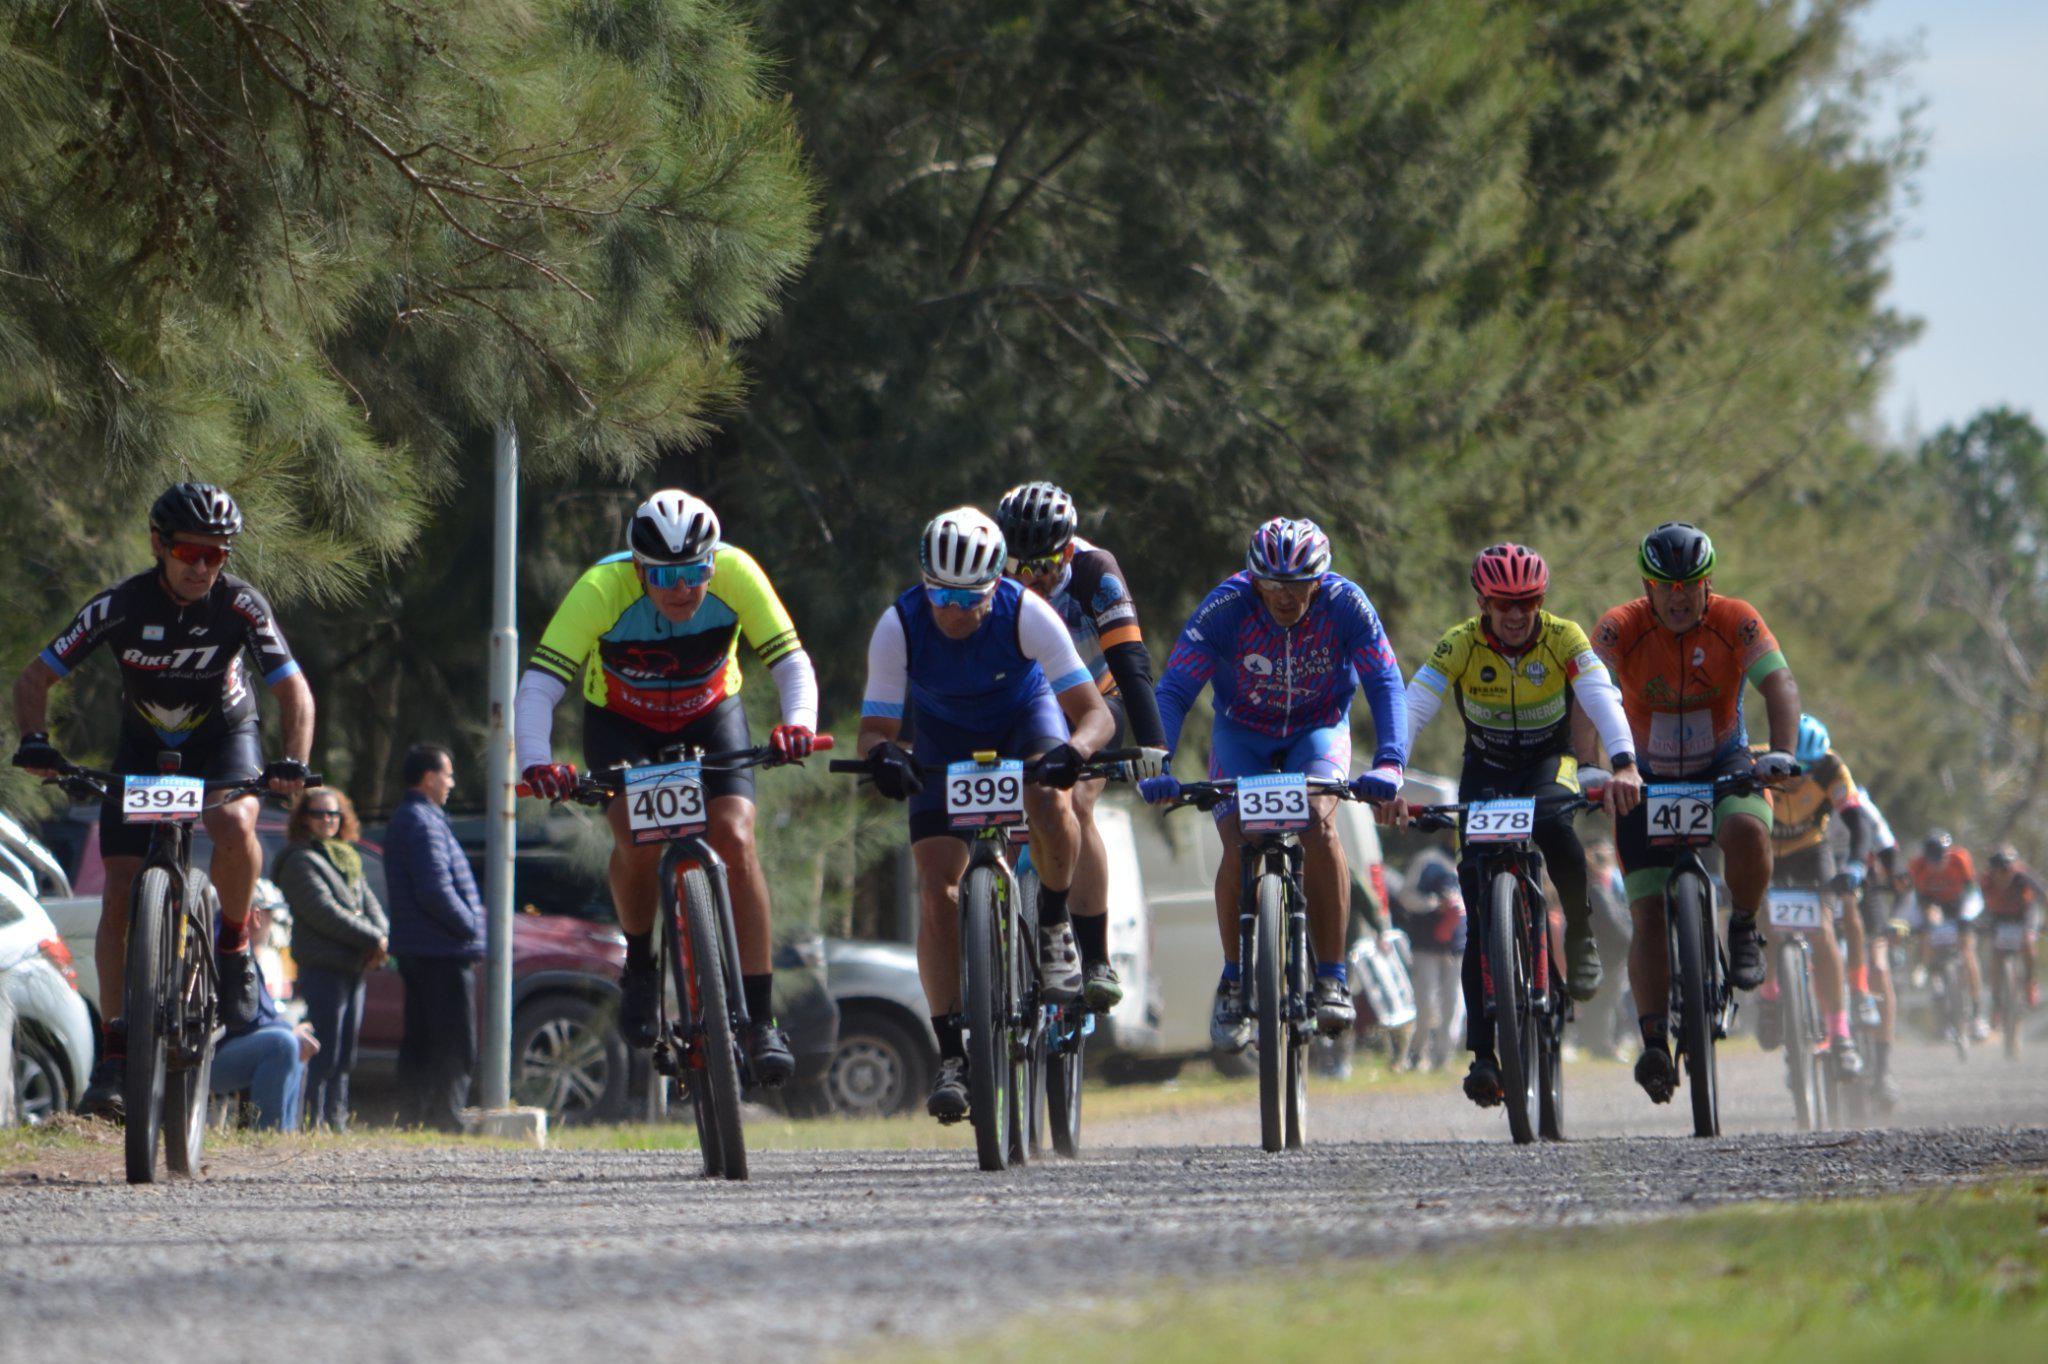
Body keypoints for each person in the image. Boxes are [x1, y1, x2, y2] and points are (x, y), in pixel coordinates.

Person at [10, 482, 313, 1120]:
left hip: (225, 736)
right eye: (188, 552)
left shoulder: (240, 605)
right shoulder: (121, 605)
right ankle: (118, 1050)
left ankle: (232, 947)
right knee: (120, 891)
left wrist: (296, 762)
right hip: (144, 748)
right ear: (158, 545)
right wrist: (36, 742)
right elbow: (36, 676)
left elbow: (294, 692)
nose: (202, 566)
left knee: (232, 818)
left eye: (216, 555)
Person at [515, 489, 817, 1084]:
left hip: (712, 711)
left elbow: (791, 662)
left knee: (734, 836)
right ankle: (641, 962)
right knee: (638, 840)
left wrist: (797, 725)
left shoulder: (736, 571)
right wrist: (536, 762)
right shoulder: (601, 589)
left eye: (695, 571)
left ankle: (759, 1019)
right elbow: (540, 685)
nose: (683, 588)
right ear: (637, 568)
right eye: (665, 575)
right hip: (622, 723)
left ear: (714, 560)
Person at [853, 507, 1115, 1121]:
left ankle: (1052, 925)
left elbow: (1095, 715)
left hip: (1025, 720)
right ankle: (952, 1057)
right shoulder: (899, 624)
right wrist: (885, 756)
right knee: (935, 889)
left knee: (1050, 800)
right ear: (925, 581)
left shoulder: (1028, 612)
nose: (951, 608)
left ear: (997, 584)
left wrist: (1075, 754)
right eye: (939, 592)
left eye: (968, 596)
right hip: (942, 741)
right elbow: (873, 731)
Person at [1381, 543, 1642, 1108]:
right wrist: (1390, 770)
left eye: (1527, 602)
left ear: (1541, 601)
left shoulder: (1565, 636)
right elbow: (1414, 705)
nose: (1517, 614)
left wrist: (1622, 762)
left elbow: (1601, 697)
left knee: (1556, 826)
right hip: (1487, 770)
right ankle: (1483, 1056)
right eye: (1504, 604)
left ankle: (1578, 932)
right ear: (1483, 603)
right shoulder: (1460, 643)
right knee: (1478, 920)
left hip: (1550, 762)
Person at [1137, 517, 1409, 1050]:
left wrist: (1390, 764)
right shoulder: (1225, 608)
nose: (1286, 597)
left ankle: (1331, 977)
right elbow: (1172, 692)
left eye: (1299, 583)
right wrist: (1158, 763)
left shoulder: (1346, 604)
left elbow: (1383, 681)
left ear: (1321, 580)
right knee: (1237, 840)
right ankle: (1235, 979)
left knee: (1319, 825)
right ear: (1253, 579)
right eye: (1273, 584)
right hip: (1242, 733)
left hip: (1318, 728)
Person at [1591, 521, 1801, 1105]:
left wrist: (1781, 752)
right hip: (1643, 772)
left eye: (1691, 585)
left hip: (1722, 760)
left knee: (1747, 827)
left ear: (1708, 585)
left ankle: (1742, 927)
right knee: (1649, 912)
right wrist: (1596, 767)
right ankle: (1654, 1039)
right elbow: (1587, 694)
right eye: (1666, 586)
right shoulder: (1618, 626)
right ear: (1646, 585)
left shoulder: (1737, 618)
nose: (1679, 597)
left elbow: (1779, 683)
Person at [994, 481, 1169, 1012]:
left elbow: (1132, 664)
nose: (1033, 579)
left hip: (1094, 696)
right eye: (1018, 568)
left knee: (1076, 801)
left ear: (1068, 549)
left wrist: (1153, 746)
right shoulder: (988, 574)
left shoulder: (1097, 572)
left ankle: (1094, 957)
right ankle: (986, 937)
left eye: (1044, 564)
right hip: (1024, 700)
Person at [1752, 714, 1871, 1076]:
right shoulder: (1754, 760)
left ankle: (1841, 1033)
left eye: (1808, 768)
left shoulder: (1832, 768)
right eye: (1793, 767)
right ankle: (1770, 992)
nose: (1799, 776)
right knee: (1761, 917)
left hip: (1810, 851)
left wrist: (1854, 865)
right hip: (1766, 848)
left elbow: (1857, 821)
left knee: (1823, 930)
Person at [273, 788, 387, 1131]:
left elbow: (371, 905)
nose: (328, 820)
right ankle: (313, 1120)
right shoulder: (298, 860)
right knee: (322, 1051)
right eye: (319, 814)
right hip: (321, 967)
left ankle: (336, 1120)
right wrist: (372, 938)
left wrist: (381, 936)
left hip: (353, 966)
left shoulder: (346, 858)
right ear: (303, 819)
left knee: (345, 1053)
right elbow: (323, 912)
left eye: (334, 814)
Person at [385, 743, 483, 1130]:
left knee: (423, 1039)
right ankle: (446, 1117)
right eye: (447, 774)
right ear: (428, 778)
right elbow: (434, 889)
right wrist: (471, 926)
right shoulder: (423, 822)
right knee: (453, 1042)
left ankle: (415, 1118)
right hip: (439, 950)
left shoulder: (416, 818)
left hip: (424, 947)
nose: (452, 783)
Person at [209, 909, 317, 1132]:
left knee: (293, 1040)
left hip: (224, 1046)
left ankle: (285, 1135)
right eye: (269, 917)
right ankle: (268, 1134)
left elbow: (259, 1013)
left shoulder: (247, 948)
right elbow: (243, 1017)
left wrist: (292, 1029)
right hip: (206, 1056)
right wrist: (290, 1031)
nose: (271, 924)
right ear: (256, 916)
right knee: (282, 1043)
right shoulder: (226, 943)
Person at [1908, 829, 1986, 1040]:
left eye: (1940, 858)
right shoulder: (1917, 865)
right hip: (1931, 904)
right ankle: (1926, 967)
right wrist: (1925, 917)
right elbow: (1916, 897)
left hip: (1959, 903)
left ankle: (1977, 1014)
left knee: (1968, 950)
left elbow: (1971, 891)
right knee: (1924, 931)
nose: (1936, 864)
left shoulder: (1960, 859)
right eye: (1932, 859)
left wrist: (1965, 918)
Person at [1399, 850, 1466, 1071]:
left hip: (1457, 947)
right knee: (1425, 1004)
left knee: (1453, 1004)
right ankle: (1418, 1053)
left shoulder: (1472, 859)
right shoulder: (1427, 860)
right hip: (1426, 945)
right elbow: (1406, 896)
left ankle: (1443, 1056)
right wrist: (1435, 904)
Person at [1979, 843, 2041, 1012]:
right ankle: (1997, 1002)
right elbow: (1976, 904)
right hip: (1999, 916)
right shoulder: (1985, 881)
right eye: (1997, 872)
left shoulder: (2023, 876)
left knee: (2027, 942)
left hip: (2025, 914)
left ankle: (2029, 982)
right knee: (1995, 955)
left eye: (2006, 871)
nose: (2002, 877)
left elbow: (2043, 895)